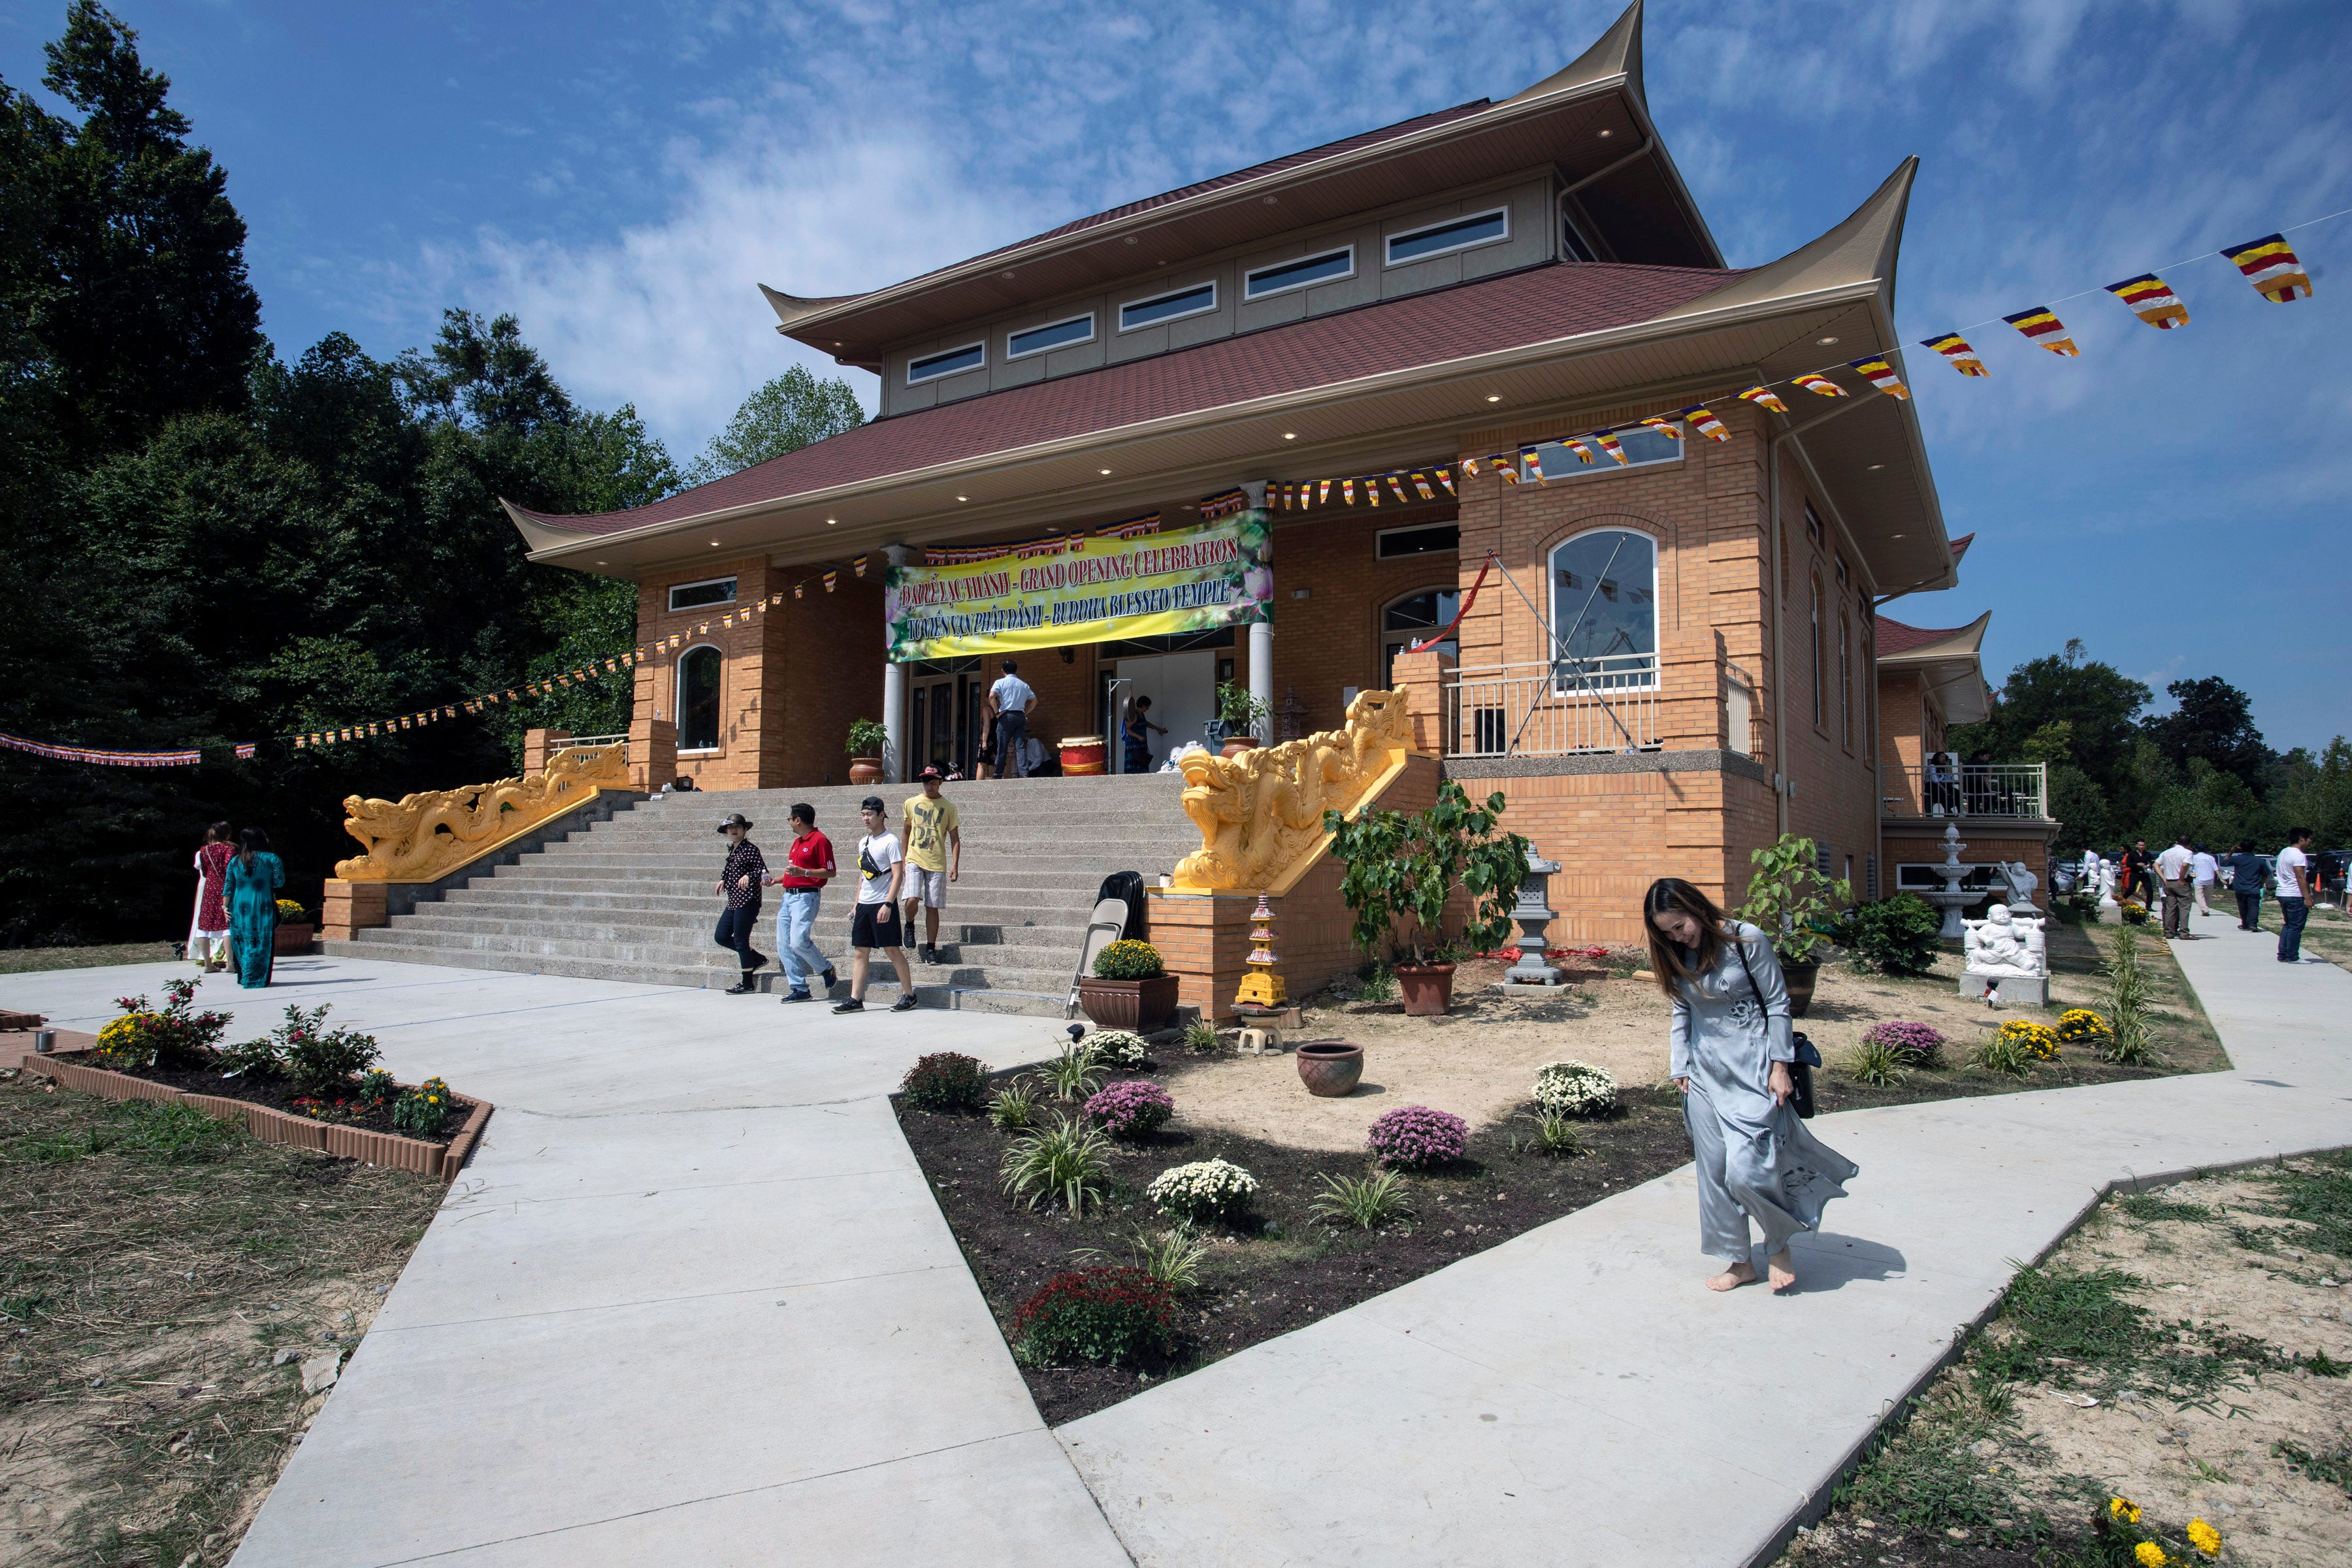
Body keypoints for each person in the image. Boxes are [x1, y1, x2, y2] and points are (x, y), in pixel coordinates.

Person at [1644, 877, 1857, 1295]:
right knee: (1716, 1172)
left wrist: (1781, 1065)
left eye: (1680, 925)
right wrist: (1679, 1066)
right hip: (1703, 1075)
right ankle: (1740, 1263)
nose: (1677, 936)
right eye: (1667, 931)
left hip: (1754, 1066)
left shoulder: (1747, 940)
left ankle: (1777, 1242)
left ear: (1696, 908)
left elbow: (1778, 1004)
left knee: (1748, 1169)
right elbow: (1681, 1013)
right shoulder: (1674, 953)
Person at [837, 797, 919, 1013]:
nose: (866, 818)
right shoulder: (864, 842)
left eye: (870, 814)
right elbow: (862, 877)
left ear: (881, 815)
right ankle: (855, 999)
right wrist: (856, 905)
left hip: (883, 904)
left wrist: (888, 904)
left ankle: (909, 995)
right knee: (860, 952)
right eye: (863, 814)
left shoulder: (890, 841)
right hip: (864, 904)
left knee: (892, 950)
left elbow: (898, 874)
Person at [767, 803, 839, 1004]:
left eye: (790, 819)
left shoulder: (820, 840)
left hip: (806, 897)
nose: (789, 822)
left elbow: (831, 871)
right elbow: (793, 873)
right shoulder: (797, 842)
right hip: (788, 896)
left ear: (798, 820)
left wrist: (805, 872)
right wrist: (776, 880)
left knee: (798, 941)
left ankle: (825, 968)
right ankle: (799, 988)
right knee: (784, 944)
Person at [900, 765, 961, 965]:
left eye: (933, 782)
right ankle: (909, 925)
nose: (929, 786)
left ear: (941, 782)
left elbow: (955, 838)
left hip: (936, 862)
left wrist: (955, 865)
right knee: (912, 899)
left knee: (932, 907)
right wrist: (903, 858)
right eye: (926, 782)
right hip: (914, 858)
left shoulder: (949, 808)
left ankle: (930, 948)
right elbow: (906, 832)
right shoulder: (911, 803)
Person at [712, 813, 769, 994]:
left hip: (748, 900)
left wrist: (748, 876)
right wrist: (723, 880)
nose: (734, 830)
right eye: (730, 828)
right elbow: (729, 868)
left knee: (741, 940)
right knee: (721, 936)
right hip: (734, 901)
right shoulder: (734, 849)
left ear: (745, 830)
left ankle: (747, 983)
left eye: (738, 827)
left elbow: (764, 872)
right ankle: (756, 958)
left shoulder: (751, 849)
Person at [223, 826, 285, 989]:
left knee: (242, 940)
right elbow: (279, 882)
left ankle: (245, 976)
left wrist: (224, 907)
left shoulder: (235, 861)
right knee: (261, 941)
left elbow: (229, 886)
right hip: (262, 905)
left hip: (239, 907)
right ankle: (257, 977)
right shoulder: (271, 859)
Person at [189, 821, 235, 973]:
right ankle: (230, 963)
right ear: (226, 834)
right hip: (225, 886)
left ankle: (208, 964)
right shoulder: (229, 849)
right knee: (227, 925)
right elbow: (229, 867)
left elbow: (205, 872)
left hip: (210, 887)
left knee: (205, 925)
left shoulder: (204, 850)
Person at [988, 659, 1037, 780]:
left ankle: (998, 773)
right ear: (1016, 670)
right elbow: (1034, 701)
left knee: (1002, 746)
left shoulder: (1000, 682)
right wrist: (1025, 712)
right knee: (1020, 746)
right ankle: (1024, 774)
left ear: (1002, 671)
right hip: (1020, 716)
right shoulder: (1023, 684)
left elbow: (992, 696)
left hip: (1006, 716)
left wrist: (997, 713)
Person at [2275, 826, 2315, 964]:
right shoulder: (2298, 855)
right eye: (2310, 839)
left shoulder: (2284, 852)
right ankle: (2293, 956)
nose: (2311, 842)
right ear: (2301, 839)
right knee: (2296, 927)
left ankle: (2283, 954)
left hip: (2283, 893)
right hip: (2294, 895)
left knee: (2288, 925)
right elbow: (2300, 877)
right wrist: (2308, 897)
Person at [2155, 834, 2195, 940]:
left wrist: (2164, 878)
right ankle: (2184, 932)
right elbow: (2185, 865)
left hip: (2169, 882)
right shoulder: (2188, 853)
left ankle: (2169, 932)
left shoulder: (2167, 853)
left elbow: (2156, 864)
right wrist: (2181, 879)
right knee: (2184, 908)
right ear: (2189, 844)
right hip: (2181, 883)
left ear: (2177, 842)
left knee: (2170, 908)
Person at [2227, 838, 2268, 931]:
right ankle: (2253, 924)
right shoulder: (2259, 861)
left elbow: (2225, 862)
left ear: (2241, 848)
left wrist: (2231, 852)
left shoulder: (2237, 859)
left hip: (2240, 887)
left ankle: (2245, 924)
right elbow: (2266, 874)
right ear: (2253, 848)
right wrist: (2261, 883)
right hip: (2254, 887)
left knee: (2242, 906)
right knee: (2254, 906)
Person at [1122, 694, 1167, 775]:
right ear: (1143, 705)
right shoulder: (1133, 714)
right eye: (1147, 707)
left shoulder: (1142, 714)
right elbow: (1127, 729)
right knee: (1134, 766)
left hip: (1141, 744)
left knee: (1143, 763)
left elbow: (1145, 723)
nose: (1148, 709)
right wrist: (1138, 737)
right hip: (1134, 744)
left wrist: (1158, 729)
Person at [2120, 840, 2156, 907]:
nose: (2141, 847)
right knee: (2131, 889)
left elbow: (2153, 862)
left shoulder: (2147, 854)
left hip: (2144, 874)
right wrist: (2137, 864)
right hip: (2135, 873)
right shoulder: (2132, 854)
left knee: (2149, 890)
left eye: (2143, 845)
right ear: (2136, 846)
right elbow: (2128, 864)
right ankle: (2122, 900)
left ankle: (2148, 906)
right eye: (2140, 845)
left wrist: (2149, 866)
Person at [2190, 841, 2219, 919]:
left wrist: (2191, 874)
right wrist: (2221, 879)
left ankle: (2205, 910)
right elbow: (2216, 869)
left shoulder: (2193, 857)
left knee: (2199, 895)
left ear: (2196, 849)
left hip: (2198, 879)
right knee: (2208, 896)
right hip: (2209, 879)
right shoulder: (2210, 857)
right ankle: (2205, 909)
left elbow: (2190, 868)